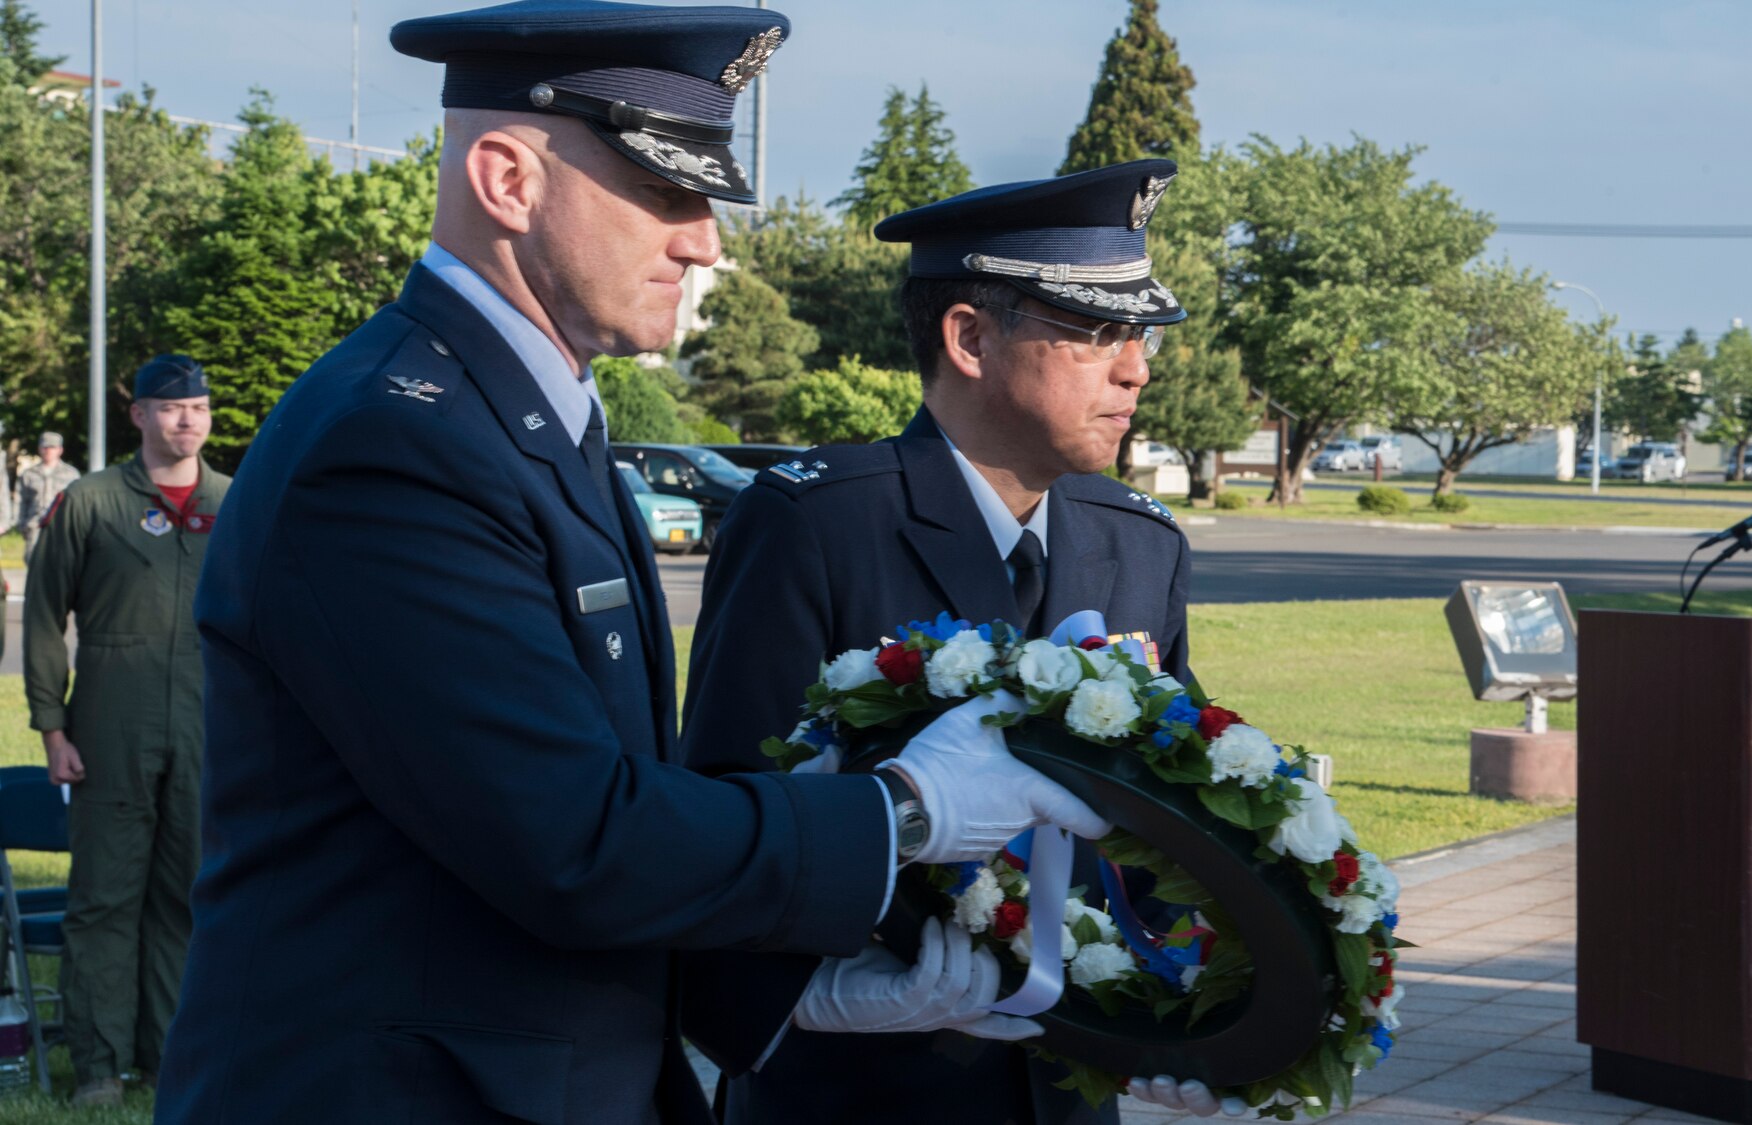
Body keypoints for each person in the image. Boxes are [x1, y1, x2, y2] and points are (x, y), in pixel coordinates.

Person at [151, 6, 1110, 1124]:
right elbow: (574, 838)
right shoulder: (395, 444)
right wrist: (904, 810)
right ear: (507, 180)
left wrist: (796, 991)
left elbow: (593, 810)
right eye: (664, 192)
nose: (704, 242)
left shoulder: (518, 420)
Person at [683, 161, 1244, 1123]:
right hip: (861, 1088)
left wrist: (1195, 992)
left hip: (1067, 1087)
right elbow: (729, 816)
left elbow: (1160, 813)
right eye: (1097, 332)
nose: (1136, 369)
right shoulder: (818, 526)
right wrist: (809, 999)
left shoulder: (1139, 543)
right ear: (971, 337)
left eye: (1141, 334)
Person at [21, 354, 226, 1107]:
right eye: (171, 408)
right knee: (105, 896)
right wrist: (52, 726)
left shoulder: (235, 502)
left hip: (206, 725)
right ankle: (100, 1066)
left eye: (198, 407)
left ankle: (172, 1056)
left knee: (189, 894)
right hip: (112, 720)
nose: (187, 420)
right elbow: (45, 616)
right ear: (138, 414)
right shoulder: (90, 501)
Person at [18, 430, 79, 561]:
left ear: (60, 450)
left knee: (61, 563)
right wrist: (23, 525)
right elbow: (22, 501)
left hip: (62, 526)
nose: (48, 450)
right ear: (39, 449)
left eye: (52, 447)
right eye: (45, 447)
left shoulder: (71, 474)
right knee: (33, 563)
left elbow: (77, 503)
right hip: (35, 525)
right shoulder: (29, 474)